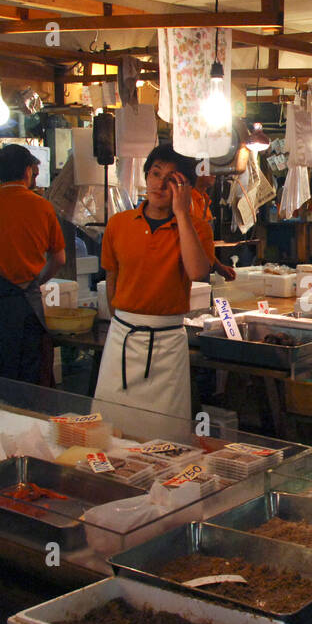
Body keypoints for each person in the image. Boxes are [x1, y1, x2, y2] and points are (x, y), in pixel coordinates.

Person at [96, 145, 213, 419]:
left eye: (172, 179)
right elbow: (111, 275)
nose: (159, 184)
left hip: (168, 341)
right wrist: (121, 318)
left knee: (166, 437)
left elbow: (197, 273)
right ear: (146, 176)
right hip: (122, 338)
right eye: (155, 173)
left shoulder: (197, 228)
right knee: (111, 430)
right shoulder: (118, 224)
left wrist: (182, 213)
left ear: (184, 187)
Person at [0, 144, 65, 385]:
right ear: (27, 172)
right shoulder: (42, 206)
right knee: (29, 380)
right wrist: (35, 282)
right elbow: (59, 258)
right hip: (26, 307)